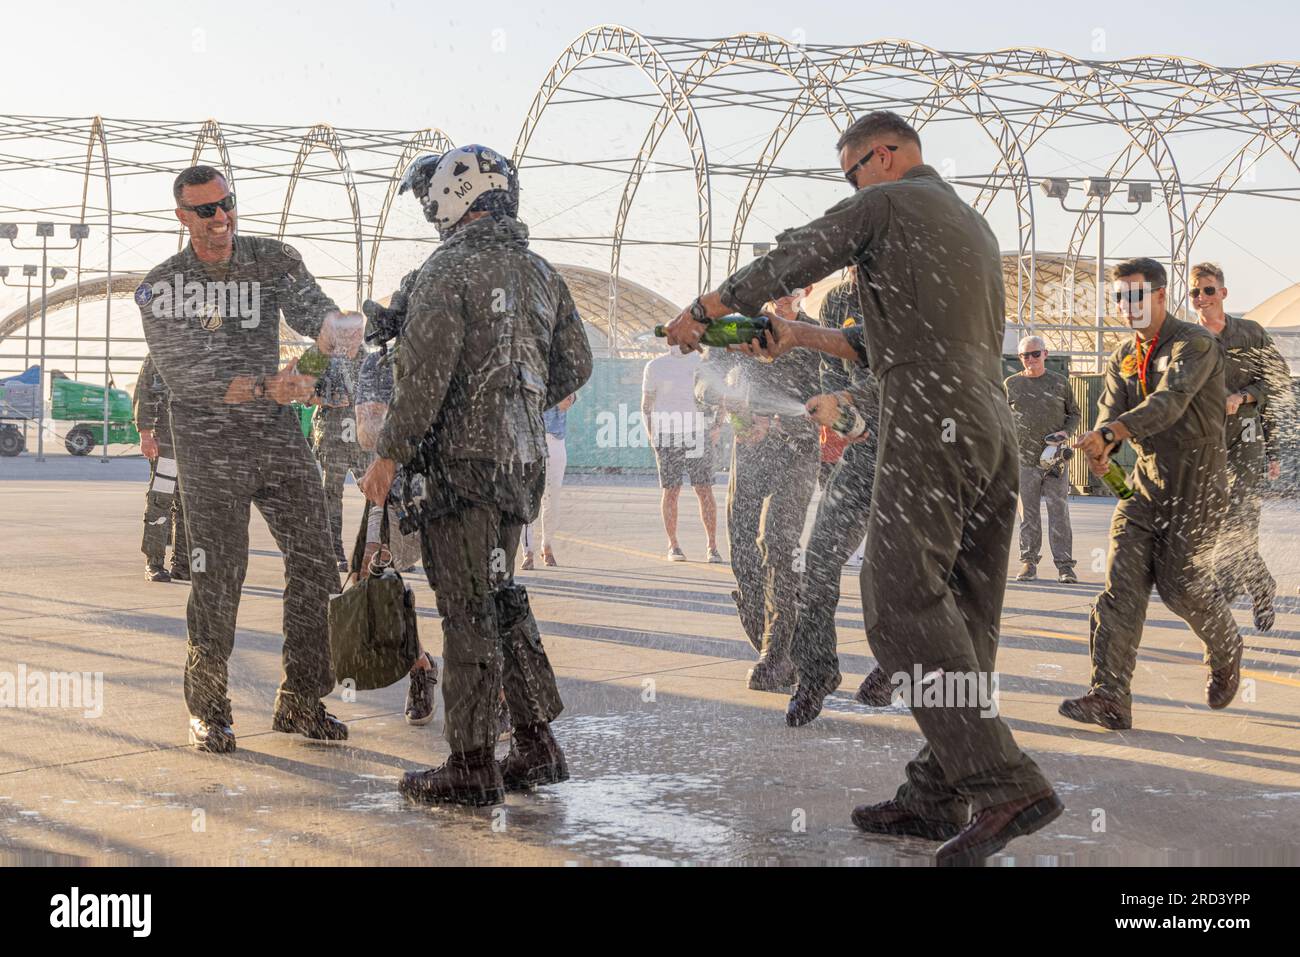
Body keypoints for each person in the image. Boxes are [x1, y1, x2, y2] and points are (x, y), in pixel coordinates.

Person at [665, 110, 1060, 865]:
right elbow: (883, 342)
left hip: (927, 420)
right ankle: (939, 790)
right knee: (964, 614)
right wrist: (801, 336)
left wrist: (706, 310)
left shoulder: (886, 202)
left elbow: (797, 252)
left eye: (852, 172)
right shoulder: (969, 226)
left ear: (884, 154)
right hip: (987, 426)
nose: (851, 186)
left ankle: (1007, 784)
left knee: (900, 601)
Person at [360, 144, 592, 807]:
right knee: (498, 597)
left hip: (460, 472)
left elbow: (427, 377)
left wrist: (388, 455)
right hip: (520, 465)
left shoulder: (450, 268)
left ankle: (469, 764)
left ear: (452, 200)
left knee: (467, 613)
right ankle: (537, 744)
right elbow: (575, 365)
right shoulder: (541, 272)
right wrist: (514, 401)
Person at [136, 165, 352, 753]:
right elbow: (186, 376)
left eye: (227, 204)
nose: (222, 218)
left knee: (316, 563)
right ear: (182, 216)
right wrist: (269, 386)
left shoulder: (273, 260)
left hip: (277, 441)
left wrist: (325, 350)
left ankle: (303, 701)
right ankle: (208, 710)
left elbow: (324, 321)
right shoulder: (161, 287)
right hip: (208, 446)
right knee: (215, 573)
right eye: (206, 210)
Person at [1060, 257, 1243, 731]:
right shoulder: (1123, 354)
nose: (1126, 306)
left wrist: (1115, 431)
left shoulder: (1195, 343)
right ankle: (1111, 696)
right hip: (1146, 484)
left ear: (1161, 296)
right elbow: (1108, 409)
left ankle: (1226, 648)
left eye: (1135, 296)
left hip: (1198, 484)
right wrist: (1102, 441)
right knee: (1120, 589)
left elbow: (1170, 401)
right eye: (1119, 298)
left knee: (1180, 585)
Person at [697, 288, 821, 693]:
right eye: (779, 289)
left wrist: (788, 420)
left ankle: (776, 651)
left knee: (777, 543)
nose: (786, 296)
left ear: (807, 292)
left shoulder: (816, 334)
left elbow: (837, 388)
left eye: (795, 289)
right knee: (746, 553)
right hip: (749, 454)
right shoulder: (739, 330)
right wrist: (735, 406)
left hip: (797, 452)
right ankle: (775, 640)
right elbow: (704, 386)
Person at [786, 278, 883, 725]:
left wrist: (850, 401)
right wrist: (842, 414)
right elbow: (832, 374)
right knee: (817, 559)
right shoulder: (839, 300)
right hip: (863, 453)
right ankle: (816, 671)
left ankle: (900, 666)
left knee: (902, 579)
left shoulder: (917, 289)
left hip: (923, 455)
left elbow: (909, 377)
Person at [1191, 262, 1289, 632]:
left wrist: (1246, 396)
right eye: (1196, 292)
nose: (1202, 298)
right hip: (1205, 444)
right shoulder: (1188, 340)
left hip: (1246, 438)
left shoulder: (1250, 333)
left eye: (1209, 290)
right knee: (1215, 526)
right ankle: (1262, 585)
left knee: (1243, 522)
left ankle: (1227, 594)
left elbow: (1276, 377)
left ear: (1223, 293)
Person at [1004, 335, 1080, 584]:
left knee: (1059, 512)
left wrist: (1064, 433)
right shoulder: (1011, 384)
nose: (1031, 359)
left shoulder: (1060, 383)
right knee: (1029, 515)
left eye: (1036, 354)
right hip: (1024, 460)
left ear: (1045, 354)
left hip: (1054, 460)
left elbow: (1074, 414)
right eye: (1026, 355)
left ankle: (1065, 566)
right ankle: (1028, 562)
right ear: (1020, 358)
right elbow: (1002, 417)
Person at [641, 341, 721, 562]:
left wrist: (717, 426)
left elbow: (721, 395)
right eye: (670, 337)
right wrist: (652, 436)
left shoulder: (702, 361)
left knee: (704, 489)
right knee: (671, 491)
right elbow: (646, 405)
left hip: (698, 431)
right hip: (667, 435)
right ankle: (673, 545)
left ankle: (712, 547)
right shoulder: (655, 366)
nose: (674, 341)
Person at [312, 341, 375, 571]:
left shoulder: (367, 359)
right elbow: (301, 391)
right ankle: (334, 550)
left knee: (377, 493)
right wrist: (327, 400)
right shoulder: (324, 357)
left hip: (360, 440)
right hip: (333, 438)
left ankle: (380, 549)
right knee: (331, 495)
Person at [133, 353, 189, 583]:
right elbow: (143, 392)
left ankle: (183, 564)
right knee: (161, 501)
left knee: (188, 505)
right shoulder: (159, 351)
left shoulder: (205, 349)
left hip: (194, 447)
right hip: (166, 444)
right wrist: (145, 435)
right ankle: (154, 563)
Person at [522, 393, 576, 569]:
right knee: (529, 498)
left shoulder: (559, 370)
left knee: (551, 500)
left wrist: (567, 399)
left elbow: (570, 398)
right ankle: (528, 551)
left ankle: (547, 545)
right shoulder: (528, 370)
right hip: (530, 440)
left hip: (555, 440)